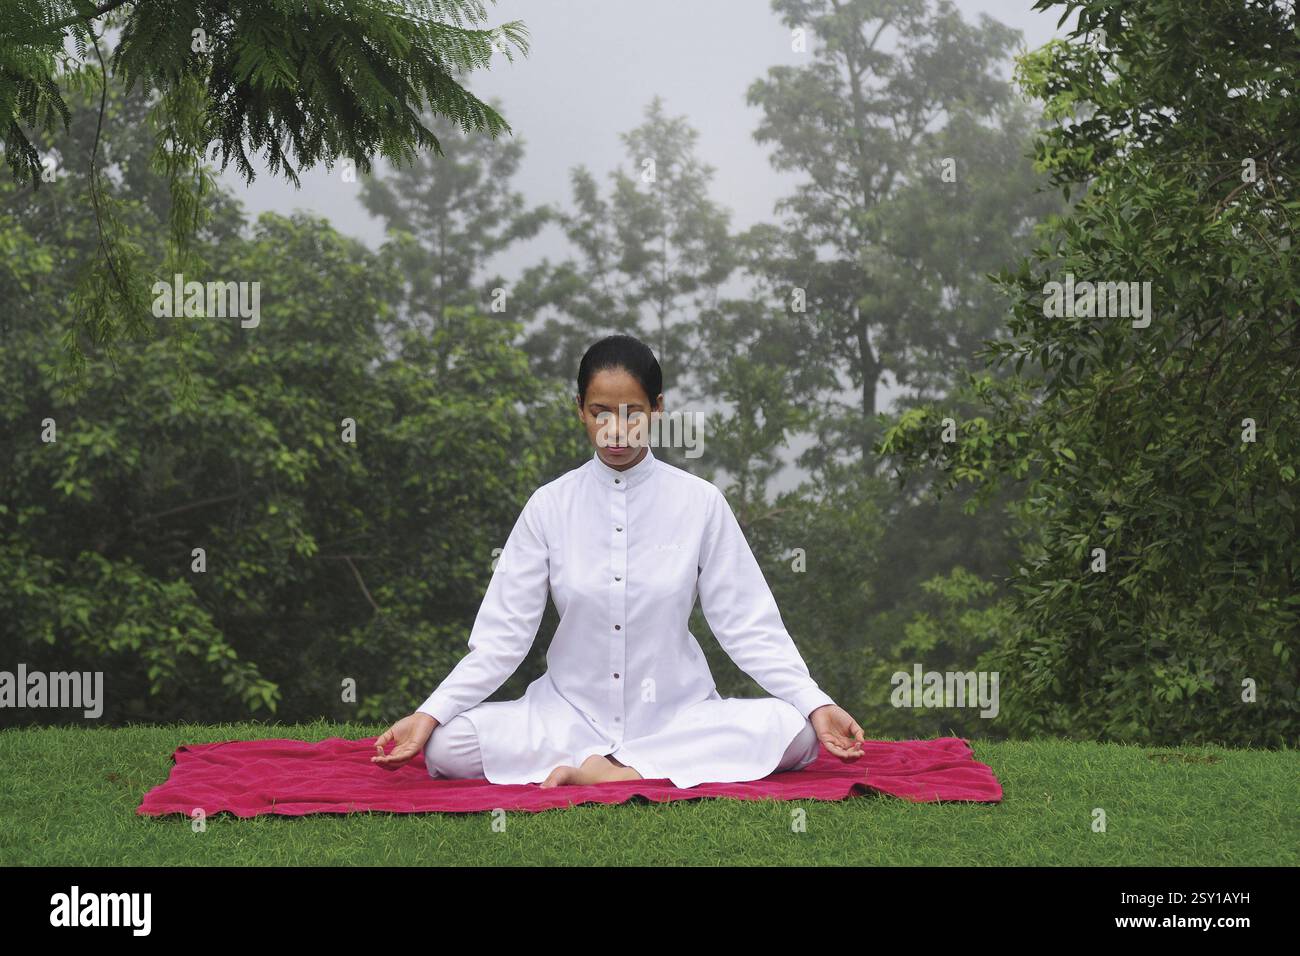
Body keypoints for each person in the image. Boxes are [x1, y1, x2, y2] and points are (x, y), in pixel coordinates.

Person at [372, 333, 866, 788]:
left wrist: (816, 702)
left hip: (676, 718)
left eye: (632, 411)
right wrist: (430, 713)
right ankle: (629, 769)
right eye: (600, 411)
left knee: (795, 730)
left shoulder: (700, 502)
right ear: (580, 412)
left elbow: (747, 625)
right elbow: (502, 639)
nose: (616, 429)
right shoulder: (549, 505)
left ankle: (613, 773)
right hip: (565, 717)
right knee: (445, 748)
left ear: (657, 409)